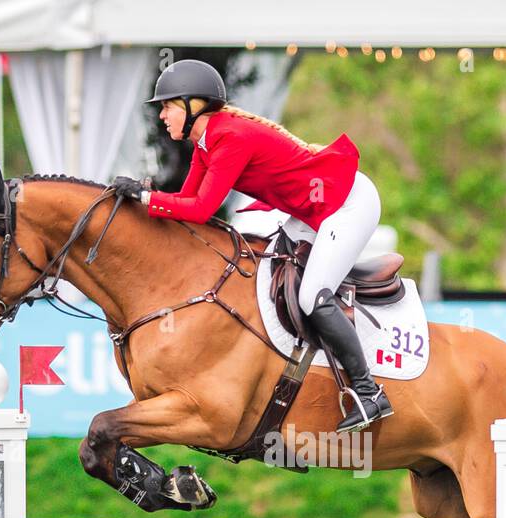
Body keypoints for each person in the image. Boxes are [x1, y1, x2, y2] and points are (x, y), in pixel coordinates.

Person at [110, 59, 393, 433]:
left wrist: (147, 198)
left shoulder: (230, 138)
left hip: (346, 204)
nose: (162, 115)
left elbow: (200, 210)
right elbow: (183, 199)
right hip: (312, 210)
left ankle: (369, 392)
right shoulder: (206, 142)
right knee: (274, 269)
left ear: (195, 106)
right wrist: (145, 199)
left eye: (168, 106)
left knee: (312, 296)